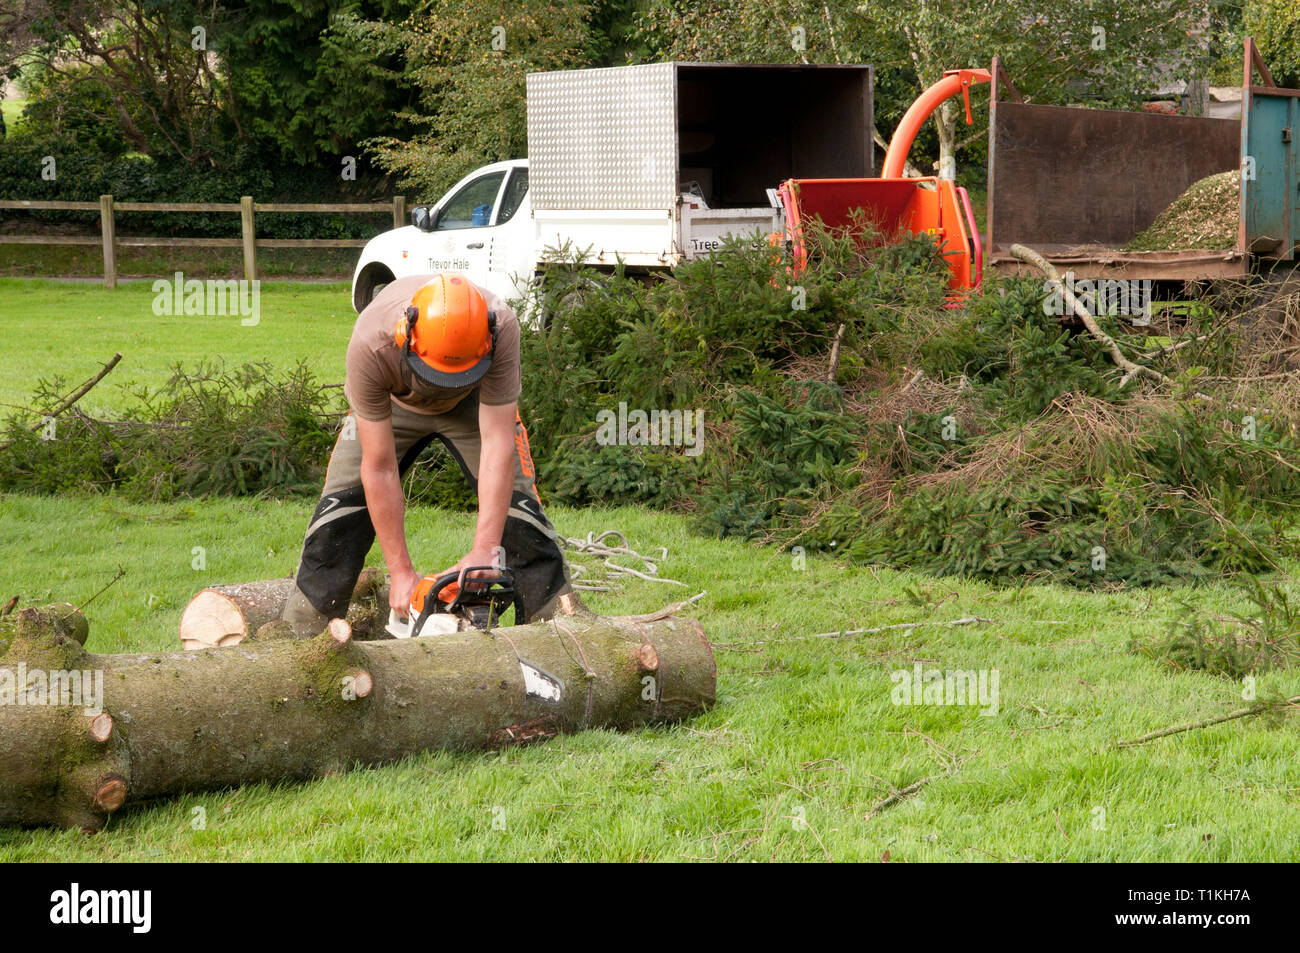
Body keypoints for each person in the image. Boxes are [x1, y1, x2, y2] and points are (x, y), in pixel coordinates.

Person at [281, 272, 572, 637]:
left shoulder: (501, 325)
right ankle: (298, 640)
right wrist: (401, 572)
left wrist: (484, 550)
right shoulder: (371, 342)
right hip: (393, 402)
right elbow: (379, 468)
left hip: (473, 404)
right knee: (341, 514)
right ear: (407, 336)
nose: (440, 386)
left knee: (521, 517)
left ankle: (561, 634)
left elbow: (498, 442)